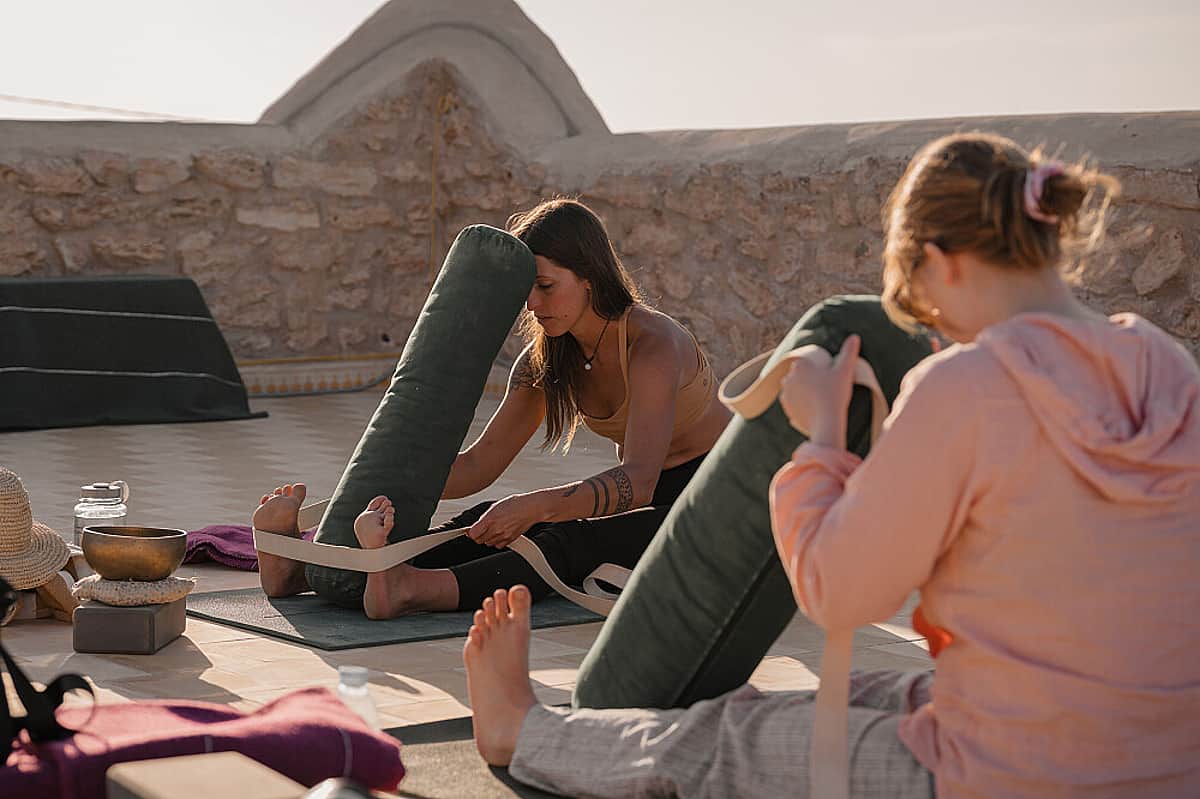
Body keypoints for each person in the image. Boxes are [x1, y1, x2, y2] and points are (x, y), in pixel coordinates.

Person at [460, 132, 1200, 798]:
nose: (930, 328)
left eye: (920, 304)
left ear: (941, 262)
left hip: (1016, 772)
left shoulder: (966, 386)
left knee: (728, 736)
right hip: (1169, 753)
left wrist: (818, 438)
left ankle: (522, 730)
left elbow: (838, 593)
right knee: (881, 692)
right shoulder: (1168, 366)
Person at [253, 198, 731, 618]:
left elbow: (640, 482)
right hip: (648, 497)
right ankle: (310, 573)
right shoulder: (547, 356)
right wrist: (390, 481)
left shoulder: (653, 344)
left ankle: (411, 589)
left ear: (588, 276)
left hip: (720, 502)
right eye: (528, 288)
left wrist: (535, 505)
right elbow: (480, 466)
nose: (532, 302)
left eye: (545, 286)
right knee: (487, 520)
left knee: (568, 540)